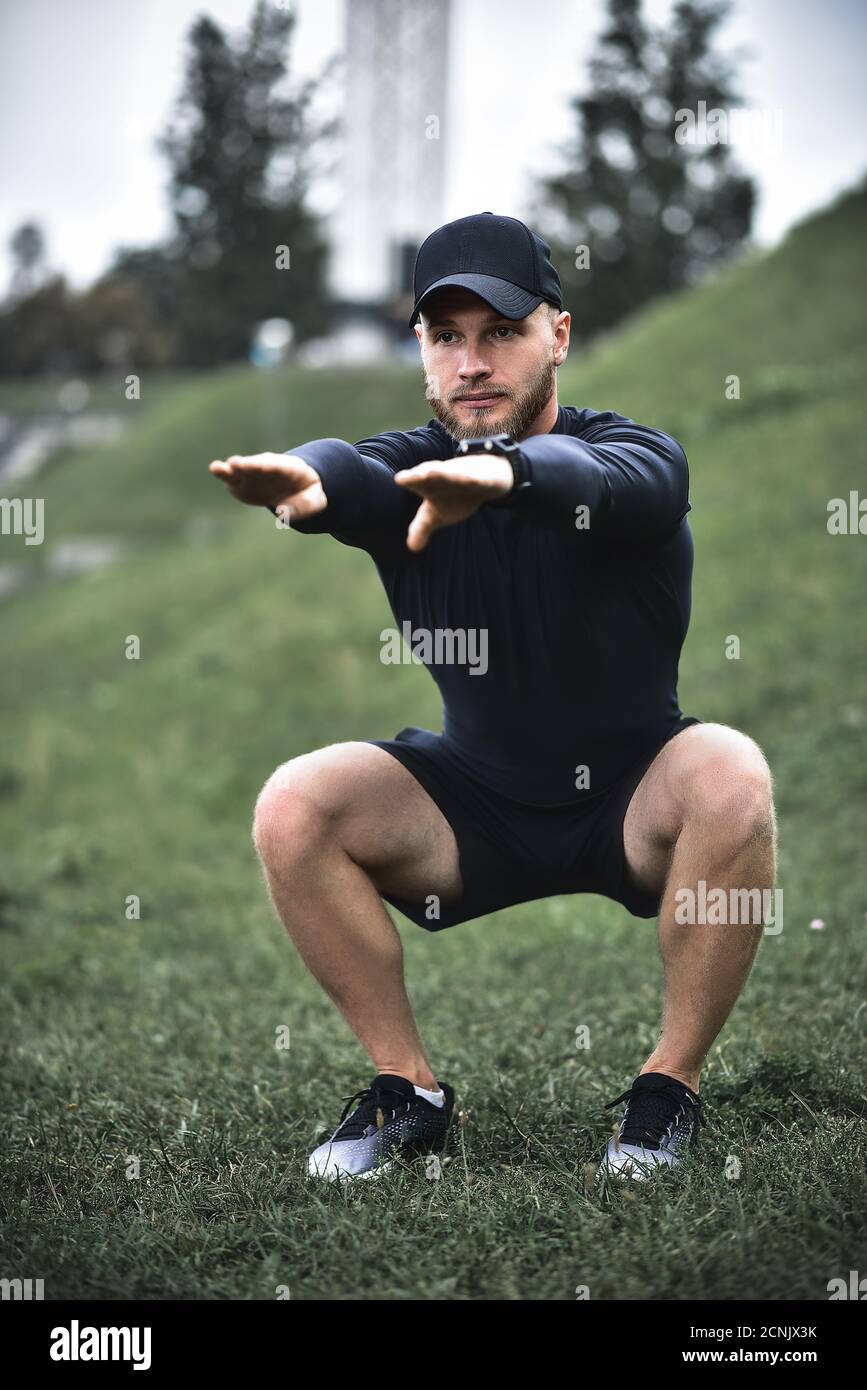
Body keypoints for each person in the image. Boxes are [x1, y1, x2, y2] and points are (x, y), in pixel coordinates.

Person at [209, 212, 777, 1182]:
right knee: (294, 802)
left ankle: (667, 1087)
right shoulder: (409, 471)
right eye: (447, 337)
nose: (473, 361)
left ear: (558, 334)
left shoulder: (631, 455)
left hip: (635, 802)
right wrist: (308, 475)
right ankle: (410, 1089)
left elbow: (607, 479)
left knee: (731, 768)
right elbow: (349, 472)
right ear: (423, 357)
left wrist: (504, 475)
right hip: (472, 809)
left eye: (501, 332)